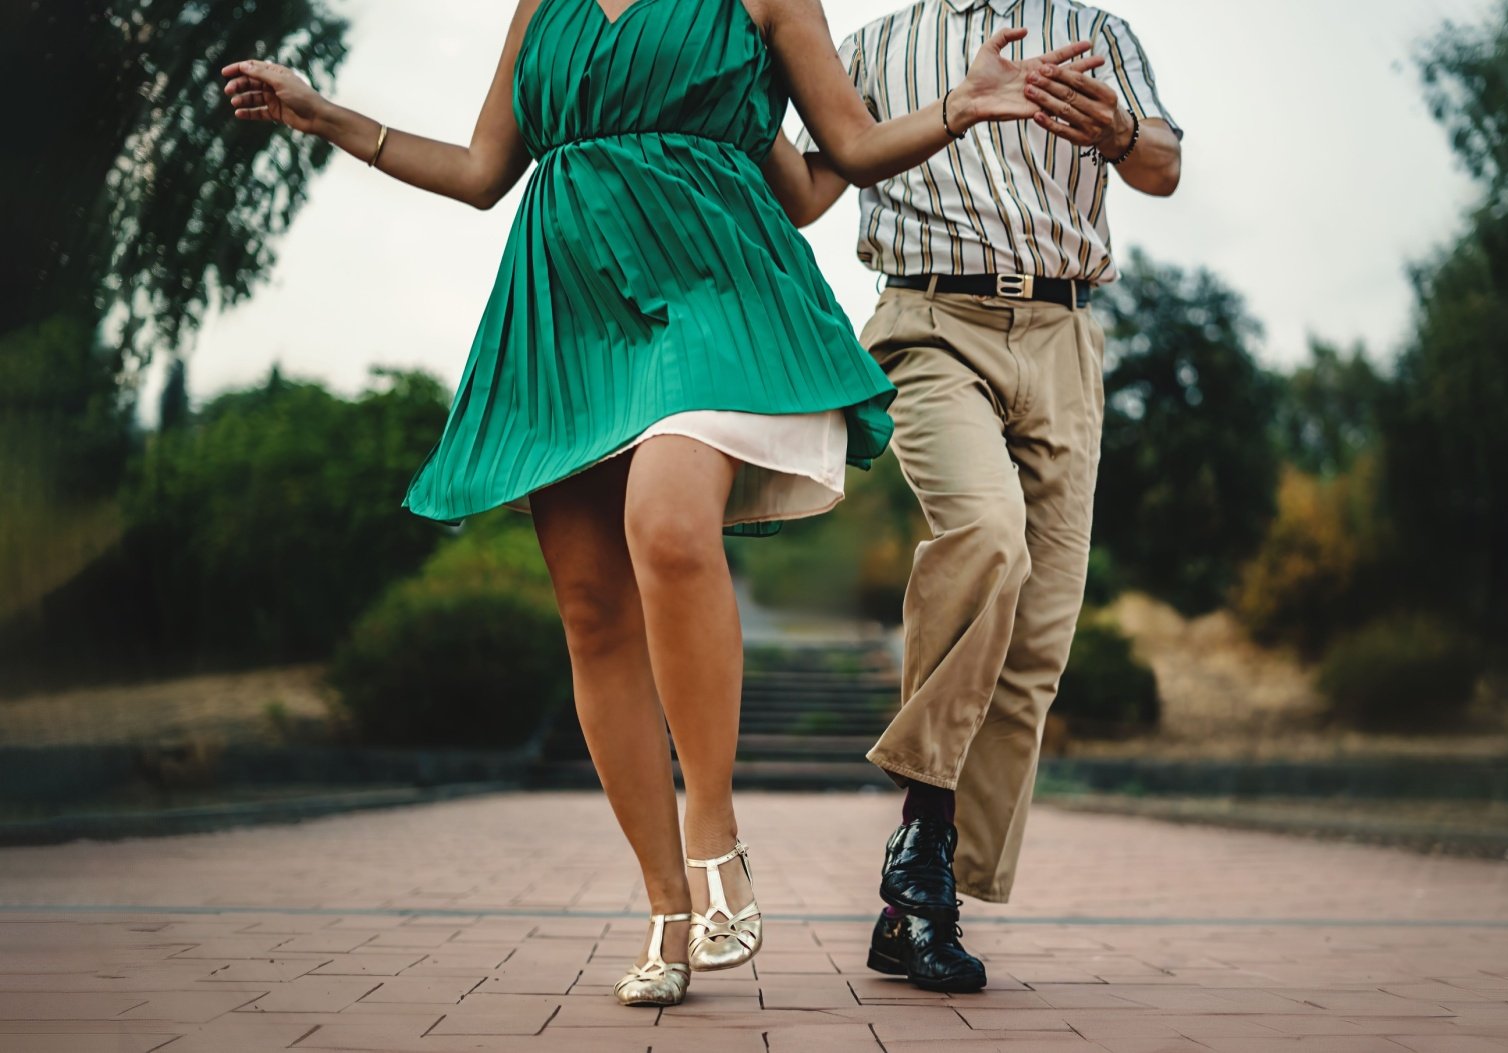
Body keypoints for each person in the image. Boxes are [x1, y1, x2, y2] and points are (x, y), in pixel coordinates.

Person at [220, 0, 1086, 1008]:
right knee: (591, 611)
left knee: (668, 530)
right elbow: (477, 174)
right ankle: (667, 910)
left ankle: (712, 832)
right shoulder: (540, 6)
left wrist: (958, 107)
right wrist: (321, 114)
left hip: (710, 286)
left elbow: (838, 152)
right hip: (567, 303)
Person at [762, 0, 1183, 993]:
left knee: (1037, 634)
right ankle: (924, 851)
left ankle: (918, 888)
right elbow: (811, 194)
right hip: (929, 320)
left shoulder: (1095, 31)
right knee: (987, 534)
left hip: (1065, 331)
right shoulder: (867, 48)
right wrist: (744, 110)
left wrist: (1119, 130)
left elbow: (1161, 164)